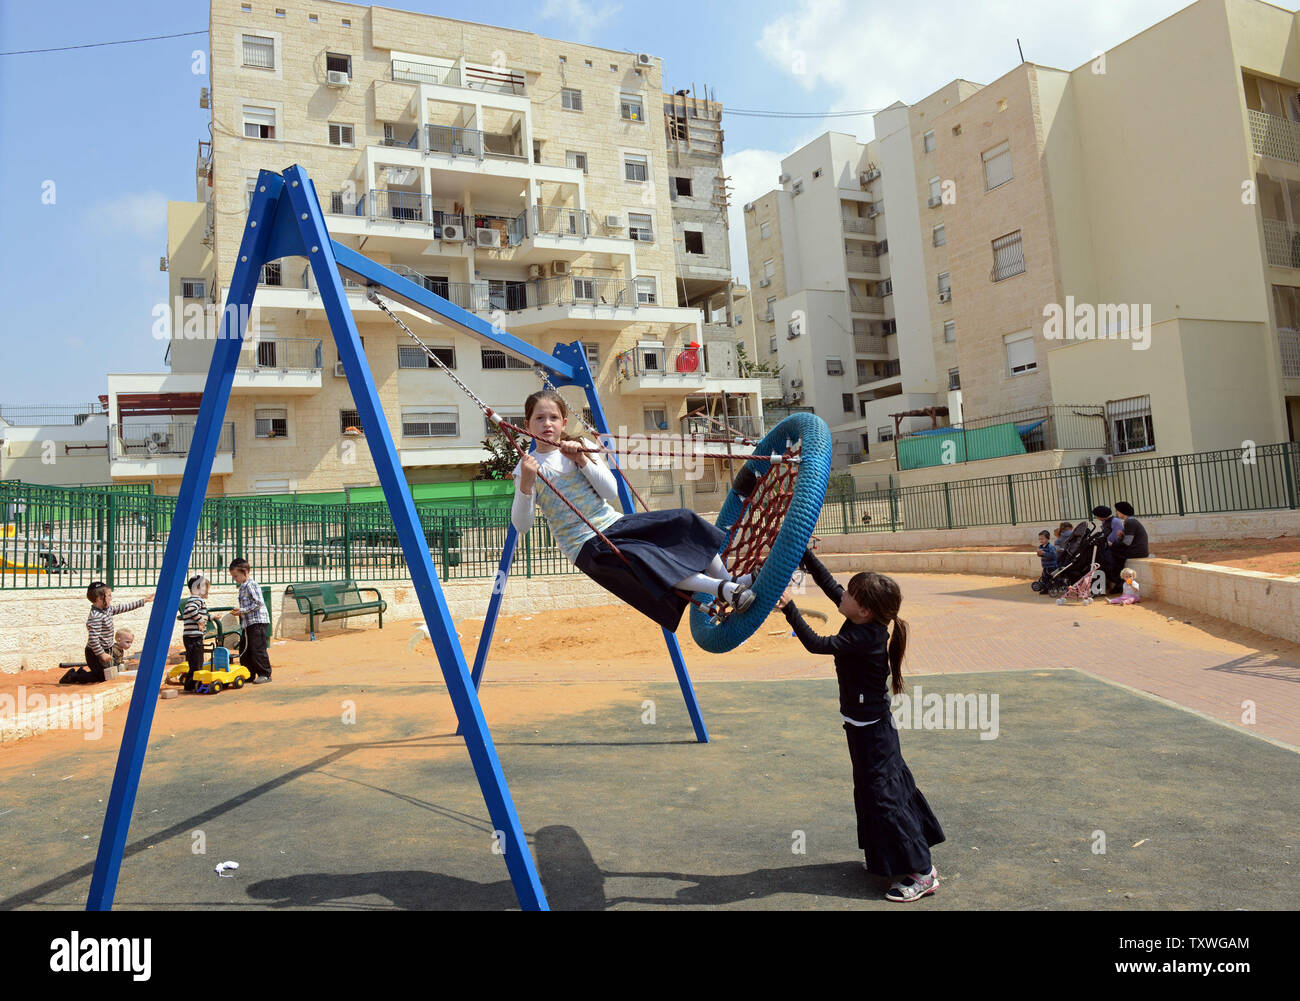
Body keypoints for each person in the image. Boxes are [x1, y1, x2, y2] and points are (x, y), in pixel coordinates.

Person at [510, 390, 754, 631]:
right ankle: (724, 590)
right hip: (585, 545)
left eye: (553, 417)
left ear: (563, 423)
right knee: (647, 560)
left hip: (614, 523)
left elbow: (610, 493)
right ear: (527, 424)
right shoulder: (526, 468)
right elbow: (522, 525)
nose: (546, 424)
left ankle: (728, 581)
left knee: (683, 520)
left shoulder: (581, 445)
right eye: (539, 418)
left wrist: (583, 461)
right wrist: (526, 484)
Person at [778, 549, 944, 902]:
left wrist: (790, 607)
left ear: (864, 610)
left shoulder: (865, 637)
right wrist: (803, 553)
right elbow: (828, 584)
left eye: (850, 594)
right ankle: (889, 857)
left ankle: (923, 871)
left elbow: (816, 644)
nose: (844, 594)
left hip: (873, 731)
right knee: (876, 793)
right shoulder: (862, 619)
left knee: (885, 798)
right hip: (863, 726)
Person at [80, 581, 154, 684]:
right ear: (99, 598)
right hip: (95, 653)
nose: (111, 598)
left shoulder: (107, 609)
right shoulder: (95, 616)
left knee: (111, 673)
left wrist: (143, 601)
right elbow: (93, 640)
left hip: (106, 649)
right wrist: (102, 655)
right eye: (109, 595)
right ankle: (75, 676)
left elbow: (123, 607)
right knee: (102, 677)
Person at [229, 558, 272, 683]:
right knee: (244, 649)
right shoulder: (242, 587)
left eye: (236, 576)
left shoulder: (251, 584)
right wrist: (241, 610)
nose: (235, 579)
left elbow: (259, 603)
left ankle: (265, 673)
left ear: (245, 572)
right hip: (247, 623)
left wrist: (243, 610)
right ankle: (248, 673)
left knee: (257, 648)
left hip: (257, 622)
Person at [1106, 501, 1150, 593]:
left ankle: (1117, 581)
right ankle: (1118, 581)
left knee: (1109, 552)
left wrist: (1113, 544)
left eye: (1118, 511)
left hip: (1137, 551)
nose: (1117, 513)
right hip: (1136, 549)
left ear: (1122, 511)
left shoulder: (1130, 522)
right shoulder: (1130, 521)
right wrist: (1120, 537)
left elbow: (1127, 543)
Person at [182, 573, 212, 692]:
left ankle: (191, 685)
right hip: (193, 637)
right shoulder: (196, 599)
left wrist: (211, 618)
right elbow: (191, 610)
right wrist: (200, 621)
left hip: (192, 637)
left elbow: (200, 614)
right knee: (196, 663)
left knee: (195, 662)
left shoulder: (196, 600)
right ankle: (192, 686)